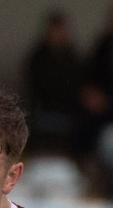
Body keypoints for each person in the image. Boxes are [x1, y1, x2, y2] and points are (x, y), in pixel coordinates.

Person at [23, 11, 80, 154]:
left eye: (61, 30)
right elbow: (38, 86)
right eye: (55, 30)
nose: (58, 34)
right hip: (45, 108)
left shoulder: (72, 57)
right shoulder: (38, 58)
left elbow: (79, 84)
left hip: (70, 110)